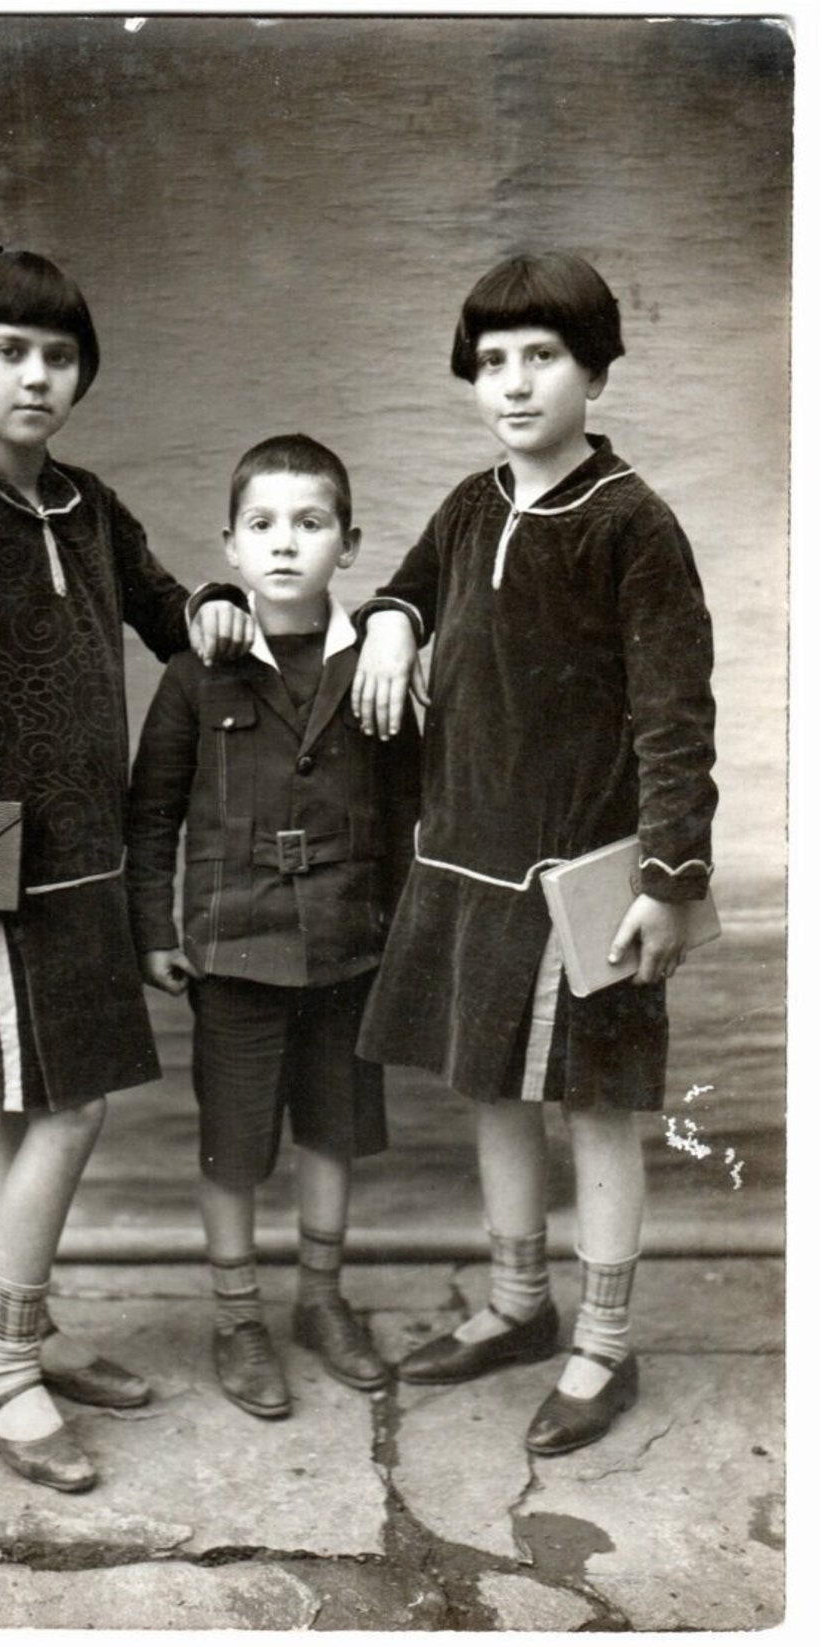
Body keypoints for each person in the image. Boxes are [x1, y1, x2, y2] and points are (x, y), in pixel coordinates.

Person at [0, 250, 252, 1493]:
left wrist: (221, 609)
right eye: (11, 351)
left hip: (85, 858)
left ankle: (33, 1334)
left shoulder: (88, 504)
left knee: (39, 1104)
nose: (35, 375)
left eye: (57, 355)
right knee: (69, 1107)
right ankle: (3, 1369)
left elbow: (168, 608)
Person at [350, 252, 717, 1454]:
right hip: (467, 860)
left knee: (597, 1112)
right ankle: (517, 1303)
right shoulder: (468, 504)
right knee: (491, 1088)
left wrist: (669, 880)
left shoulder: (634, 527)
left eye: (542, 357)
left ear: (596, 372)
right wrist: (397, 624)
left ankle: (603, 1347)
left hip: (588, 879)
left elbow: (675, 716)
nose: (514, 384)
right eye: (493, 361)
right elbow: (404, 587)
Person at [126, 435, 421, 1419]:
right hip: (234, 946)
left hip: (347, 944)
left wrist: (404, 934)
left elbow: (409, 811)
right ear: (230, 544)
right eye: (263, 525)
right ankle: (238, 1315)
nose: (286, 543)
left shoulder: (374, 669)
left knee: (333, 1130)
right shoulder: (192, 673)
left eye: (310, 522)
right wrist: (153, 931)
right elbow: (152, 812)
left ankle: (322, 1301)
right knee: (236, 1141)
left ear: (350, 541)